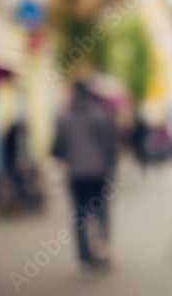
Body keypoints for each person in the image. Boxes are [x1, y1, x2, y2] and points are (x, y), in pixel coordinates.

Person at [51, 79, 119, 270]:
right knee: (101, 212)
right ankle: (102, 246)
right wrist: (110, 164)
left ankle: (83, 257)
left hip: (76, 175)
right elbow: (110, 145)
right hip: (99, 173)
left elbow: (57, 148)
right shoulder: (101, 114)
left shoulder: (65, 117)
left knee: (79, 216)